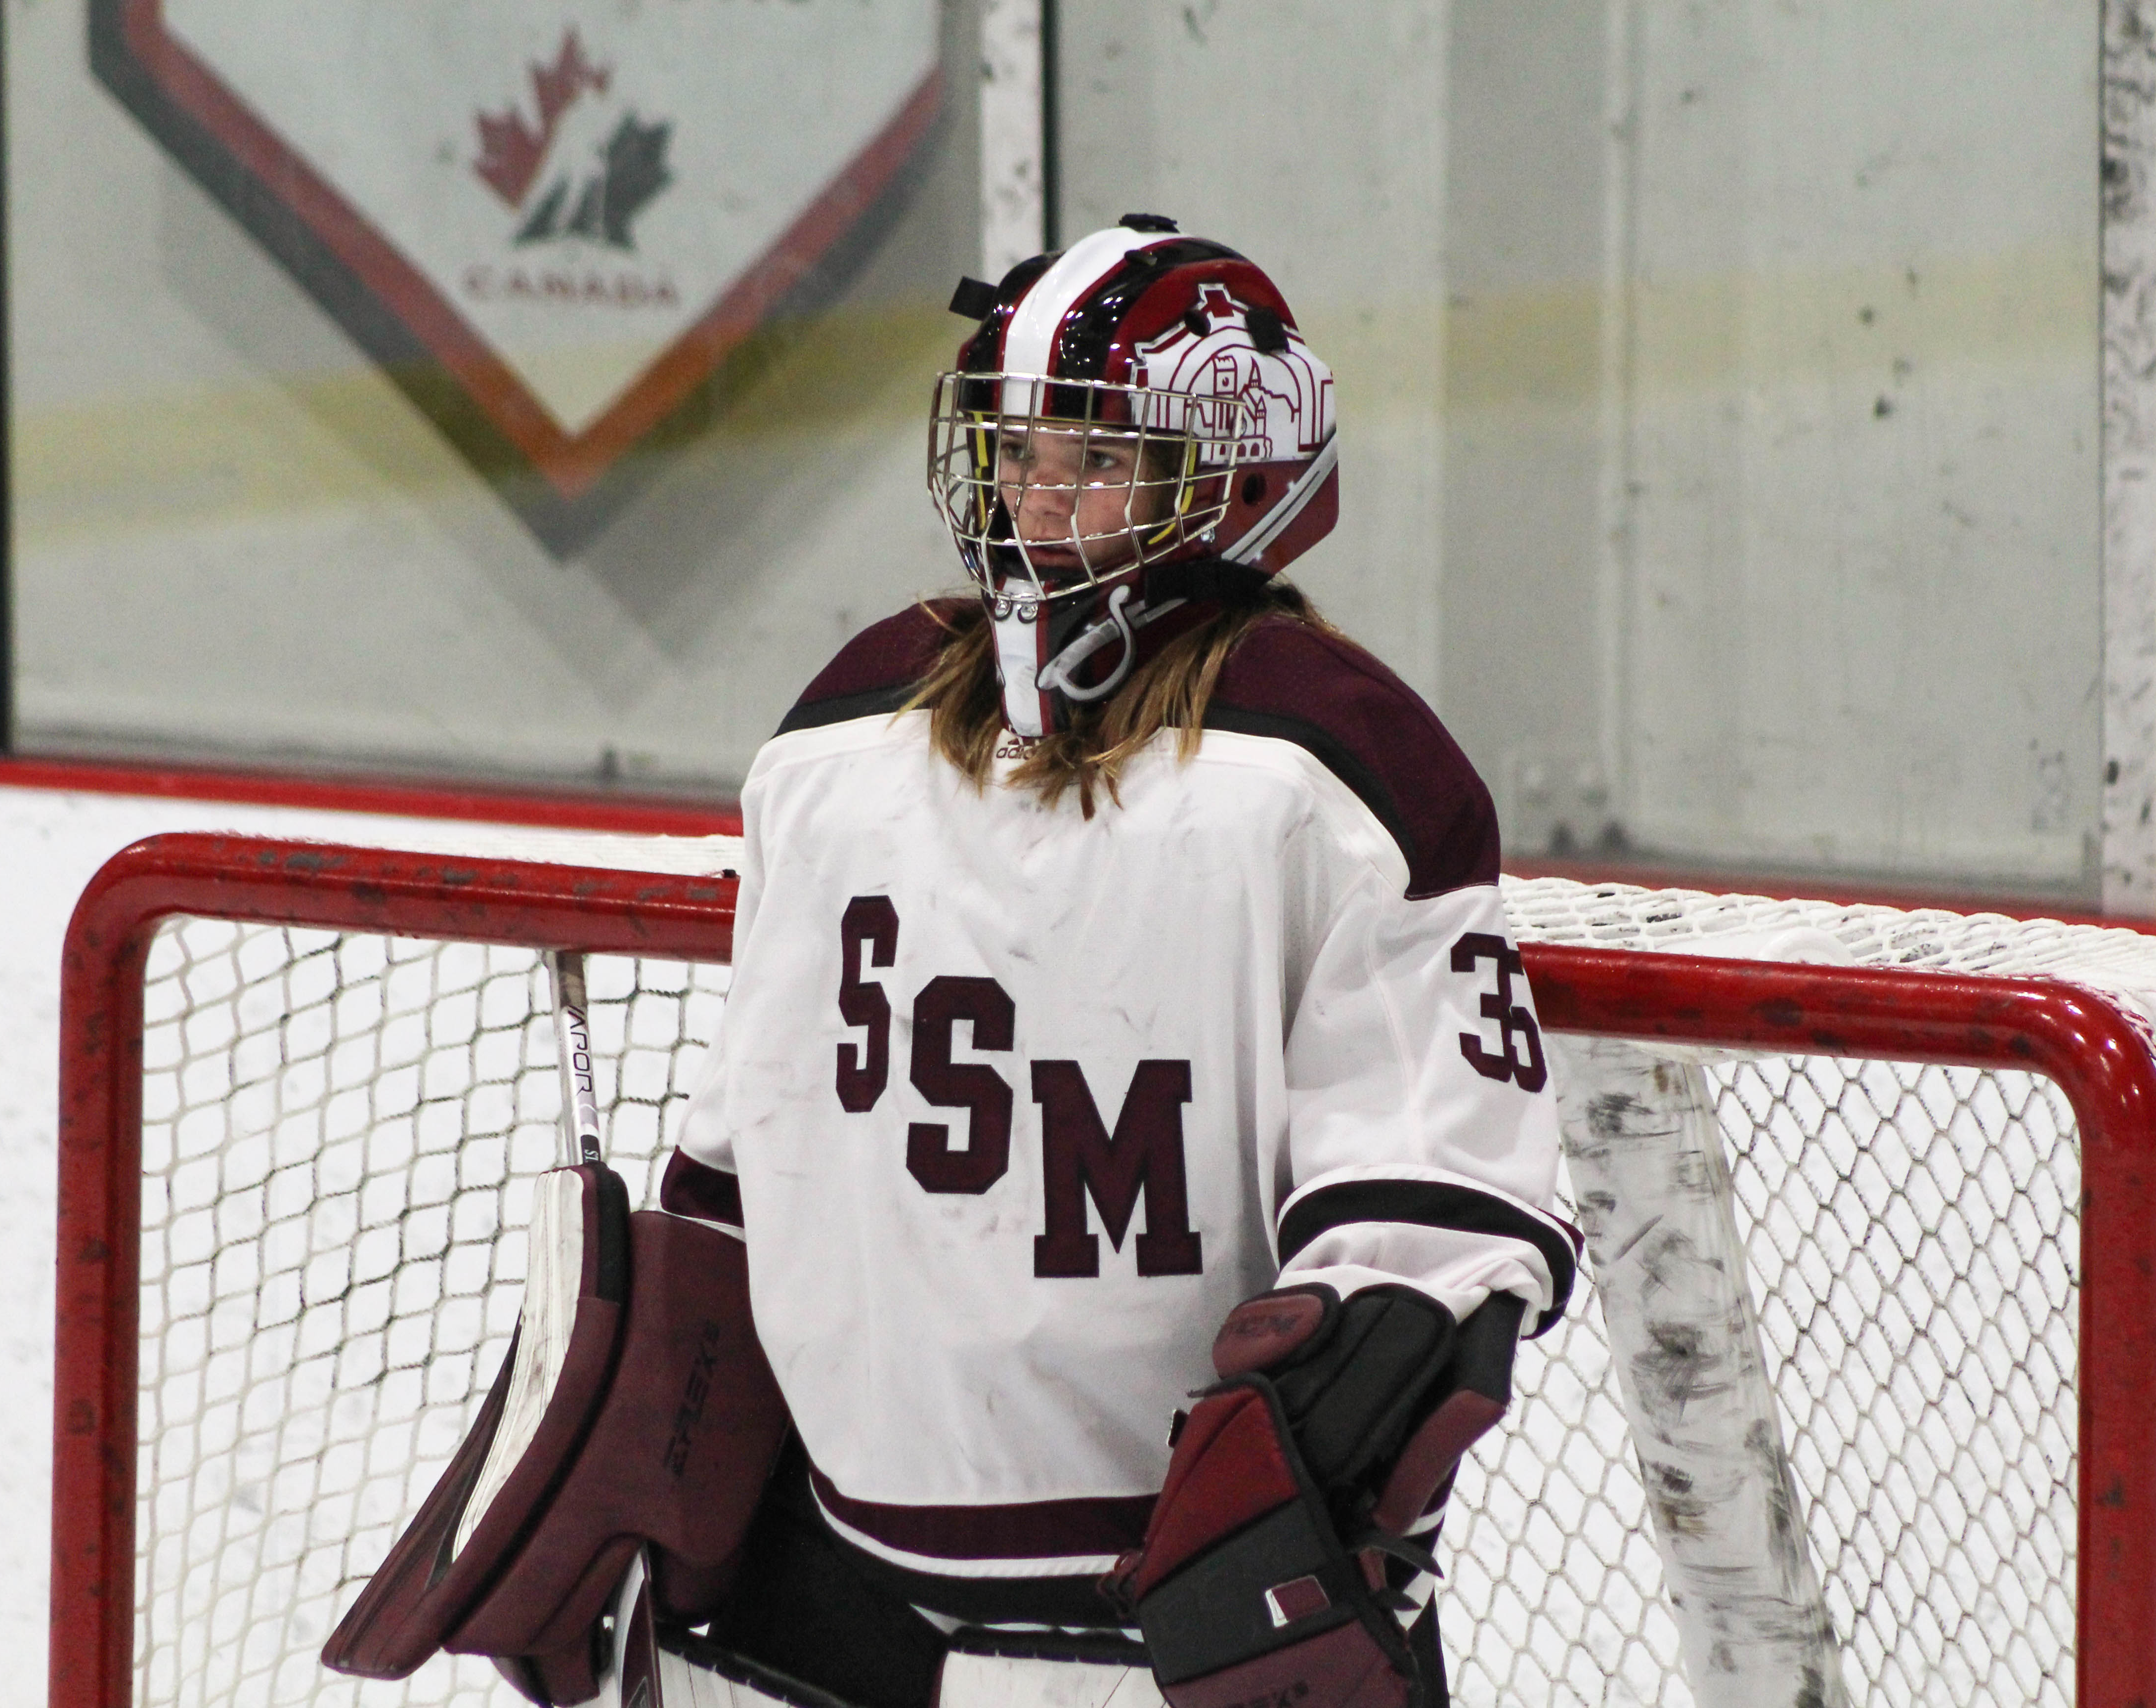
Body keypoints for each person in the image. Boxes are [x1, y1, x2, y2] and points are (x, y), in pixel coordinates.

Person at [662, 215, 1582, 1707]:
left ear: (1234, 476)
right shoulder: (842, 736)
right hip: (836, 1592)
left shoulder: (1330, 762)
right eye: (1018, 456)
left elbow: (1431, 1230)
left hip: (1166, 1626)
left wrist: (1321, 1494)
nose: (1037, 502)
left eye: (1094, 463)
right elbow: (742, 1161)